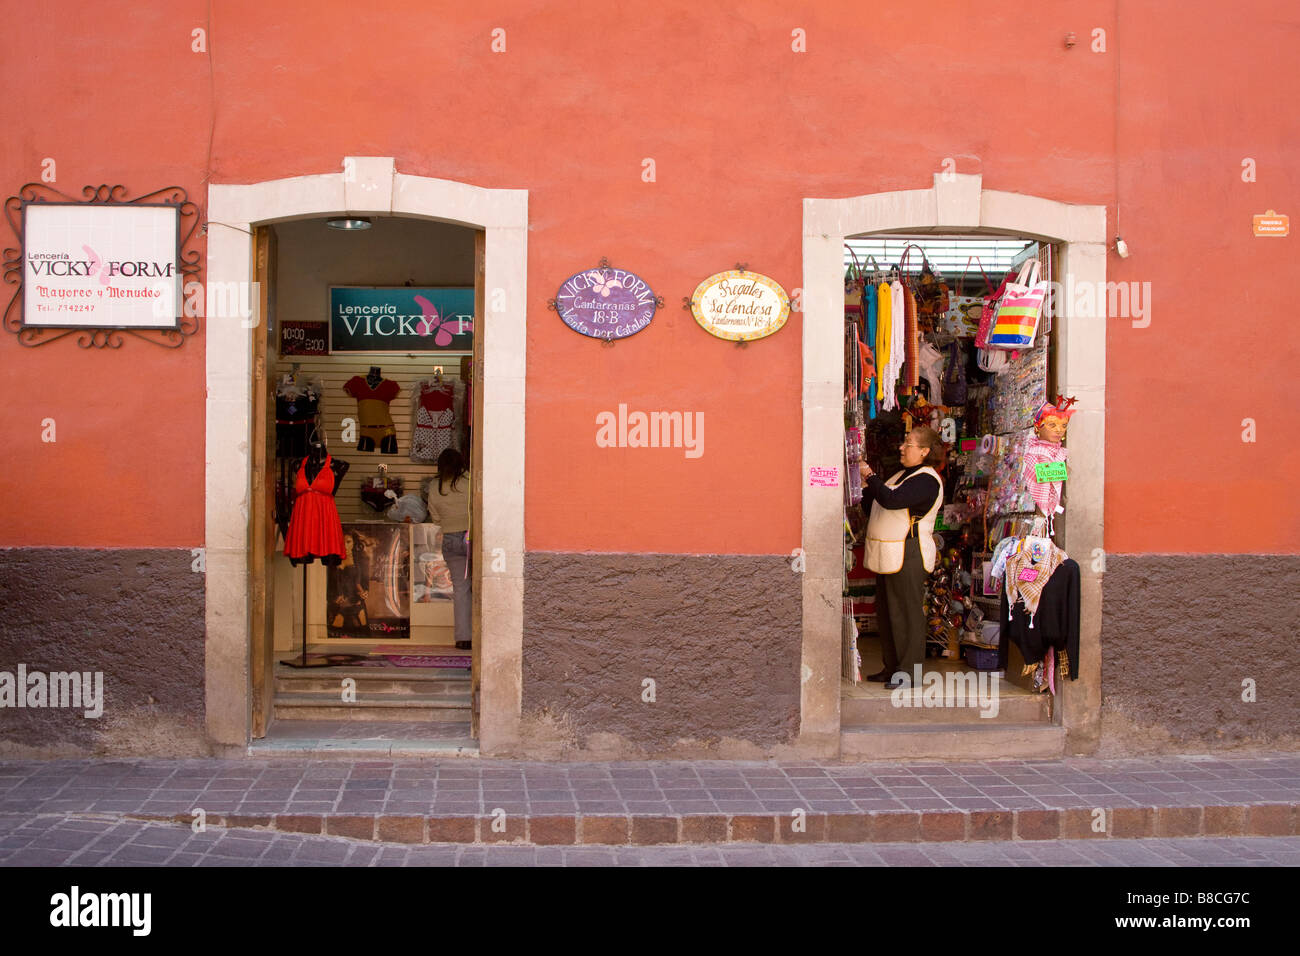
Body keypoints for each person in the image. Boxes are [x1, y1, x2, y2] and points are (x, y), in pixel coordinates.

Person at [858, 426, 946, 689]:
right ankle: (892, 666)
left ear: (924, 451)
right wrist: (866, 486)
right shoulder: (900, 475)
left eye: (908, 443)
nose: (901, 447)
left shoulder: (927, 479)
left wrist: (871, 476)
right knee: (886, 612)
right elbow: (874, 505)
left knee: (906, 612)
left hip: (909, 552)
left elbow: (892, 501)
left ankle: (910, 671)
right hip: (888, 551)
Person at [427, 448, 472, 649]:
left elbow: (435, 517)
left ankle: (463, 638)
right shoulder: (470, 480)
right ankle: (484, 634)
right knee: (481, 585)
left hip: (450, 539)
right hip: (472, 536)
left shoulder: (435, 486)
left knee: (461, 589)